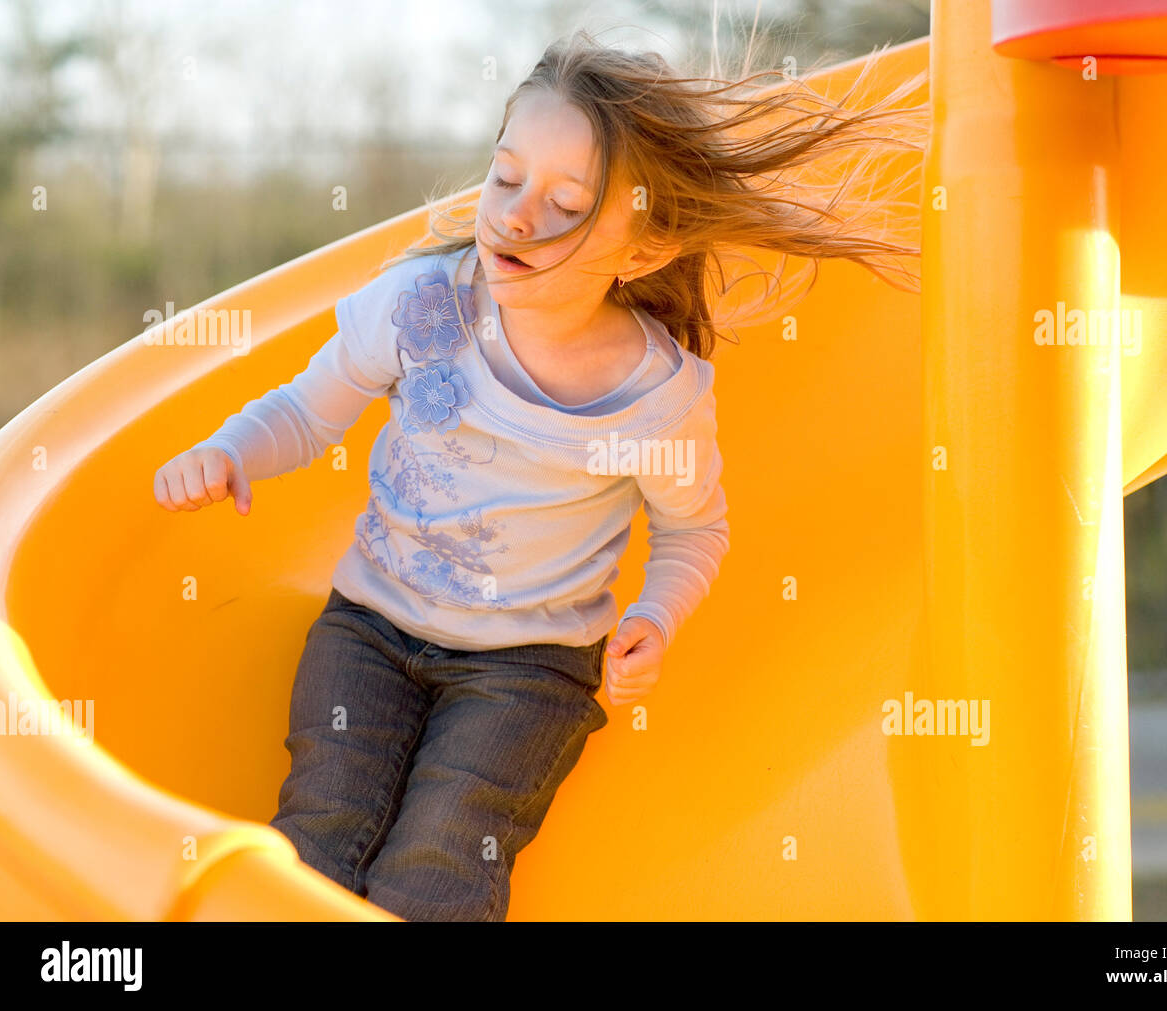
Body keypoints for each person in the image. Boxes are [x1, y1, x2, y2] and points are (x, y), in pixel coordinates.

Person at [152, 28, 924, 921]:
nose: (515, 216)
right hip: (369, 628)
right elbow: (305, 407)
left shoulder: (654, 399)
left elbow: (693, 527)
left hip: (528, 670)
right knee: (318, 838)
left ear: (641, 248)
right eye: (506, 177)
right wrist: (232, 450)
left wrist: (654, 614)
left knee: (437, 864)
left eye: (566, 203)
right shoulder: (420, 305)